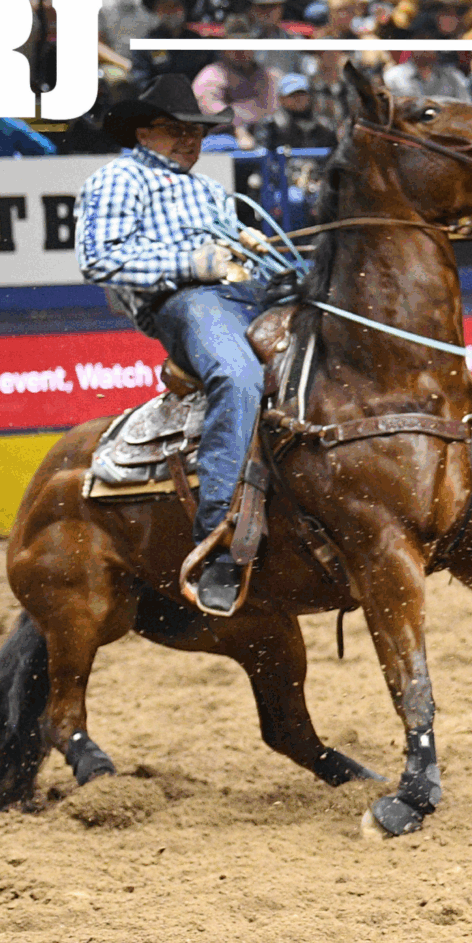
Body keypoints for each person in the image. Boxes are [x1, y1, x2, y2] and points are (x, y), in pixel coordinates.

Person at [75, 76, 275, 615]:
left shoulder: (211, 190)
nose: (191, 142)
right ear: (144, 133)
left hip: (241, 292)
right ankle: (218, 541)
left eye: (197, 132)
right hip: (186, 302)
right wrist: (195, 262)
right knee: (237, 376)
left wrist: (252, 251)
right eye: (177, 131)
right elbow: (100, 259)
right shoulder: (120, 177)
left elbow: (240, 256)